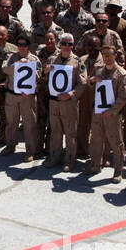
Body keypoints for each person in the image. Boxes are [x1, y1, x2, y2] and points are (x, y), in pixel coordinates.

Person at [86, 43, 126, 180]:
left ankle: (118, 170)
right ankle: (95, 164)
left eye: (110, 55)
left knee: (116, 141)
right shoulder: (98, 70)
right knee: (96, 139)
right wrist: (92, 81)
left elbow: (124, 96)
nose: (107, 58)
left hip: (112, 114)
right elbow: (89, 83)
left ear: (115, 55)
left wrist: (113, 111)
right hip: (98, 111)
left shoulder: (122, 74)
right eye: (104, 56)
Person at [44, 34, 85, 170]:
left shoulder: (77, 61)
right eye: (64, 43)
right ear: (59, 44)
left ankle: (69, 160)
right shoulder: (52, 59)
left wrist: (71, 94)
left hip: (69, 103)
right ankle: (55, 156)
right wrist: (46, 71)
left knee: (70, 132)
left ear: (72, 46)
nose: (66, 46)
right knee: (55, 130)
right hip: (54, 102)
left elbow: (82, 83)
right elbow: (42, 77)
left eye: (69, 44)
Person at [2, 34, 41, 160]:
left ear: (28, 46)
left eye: (24, 45)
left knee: (29, 124)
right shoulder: (11, 57)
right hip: (12, 95)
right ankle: (10, 145)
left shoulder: (34, 59)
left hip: (27, 97)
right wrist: (18, 64)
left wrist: (32, 90)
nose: (21, 48)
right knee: (11, 122)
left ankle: (30, 151)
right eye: (19, 45)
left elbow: (39, 79)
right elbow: (5, 69)